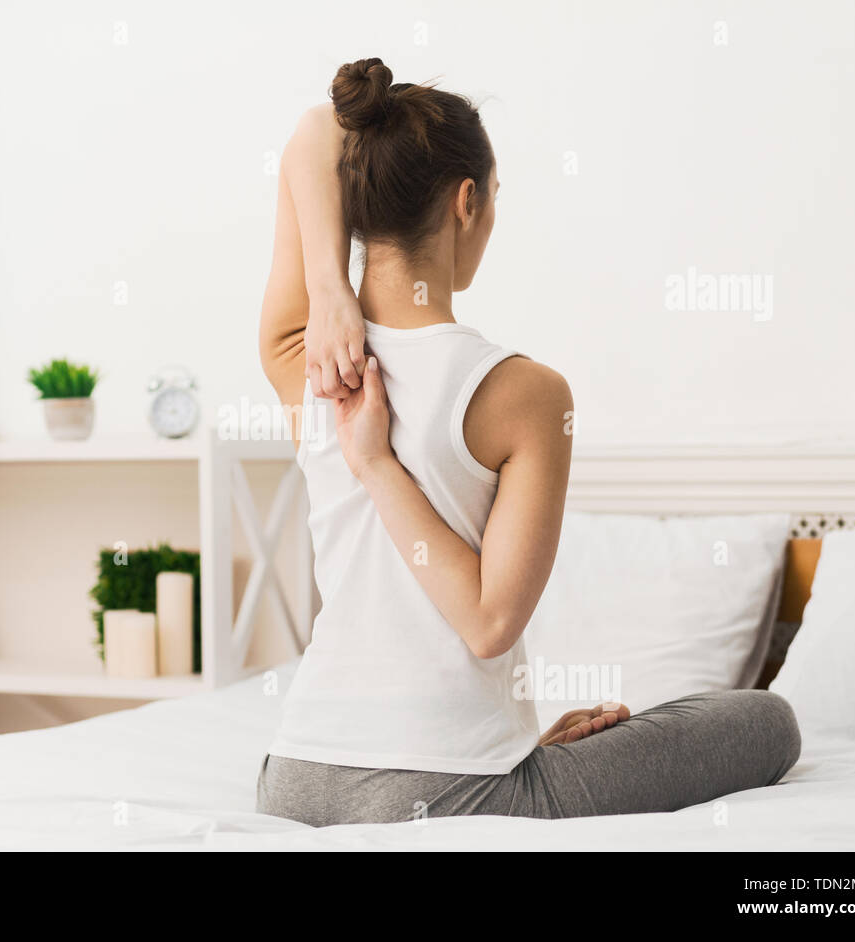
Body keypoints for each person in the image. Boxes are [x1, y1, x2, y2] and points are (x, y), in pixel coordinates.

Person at [254, 57, 801, 827]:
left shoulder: (302, 359)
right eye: (495, 199)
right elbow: (487, 624)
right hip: (452, 793)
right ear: (466, 201)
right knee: (768, 722)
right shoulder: (527, 395)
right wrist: (375, 463)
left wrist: (330, 290)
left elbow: (313, 130)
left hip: (295, 775)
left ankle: (520, 754)